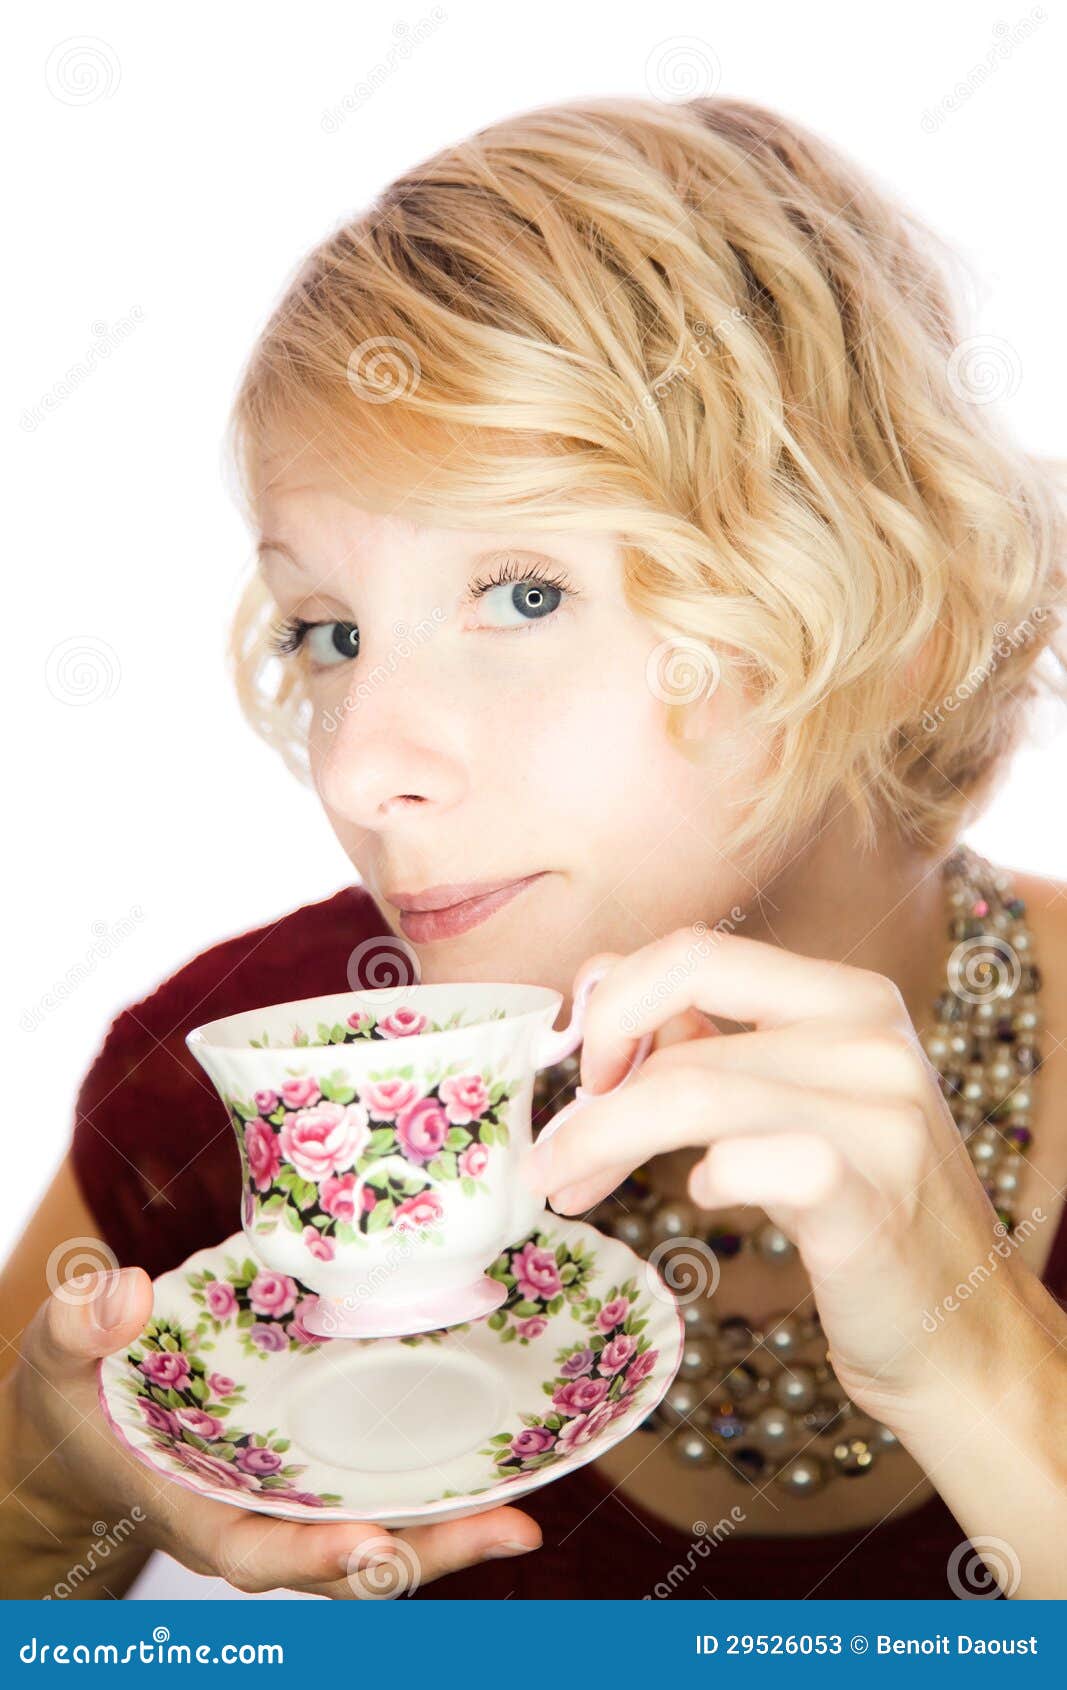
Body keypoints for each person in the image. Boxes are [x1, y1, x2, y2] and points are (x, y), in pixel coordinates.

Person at [2, 93, 1065, 1602]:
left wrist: (987, 1365)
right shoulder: (215, 1090)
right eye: (332, 630)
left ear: (895, 608)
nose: (361, 766)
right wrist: (55, 1493)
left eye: (521, 594)